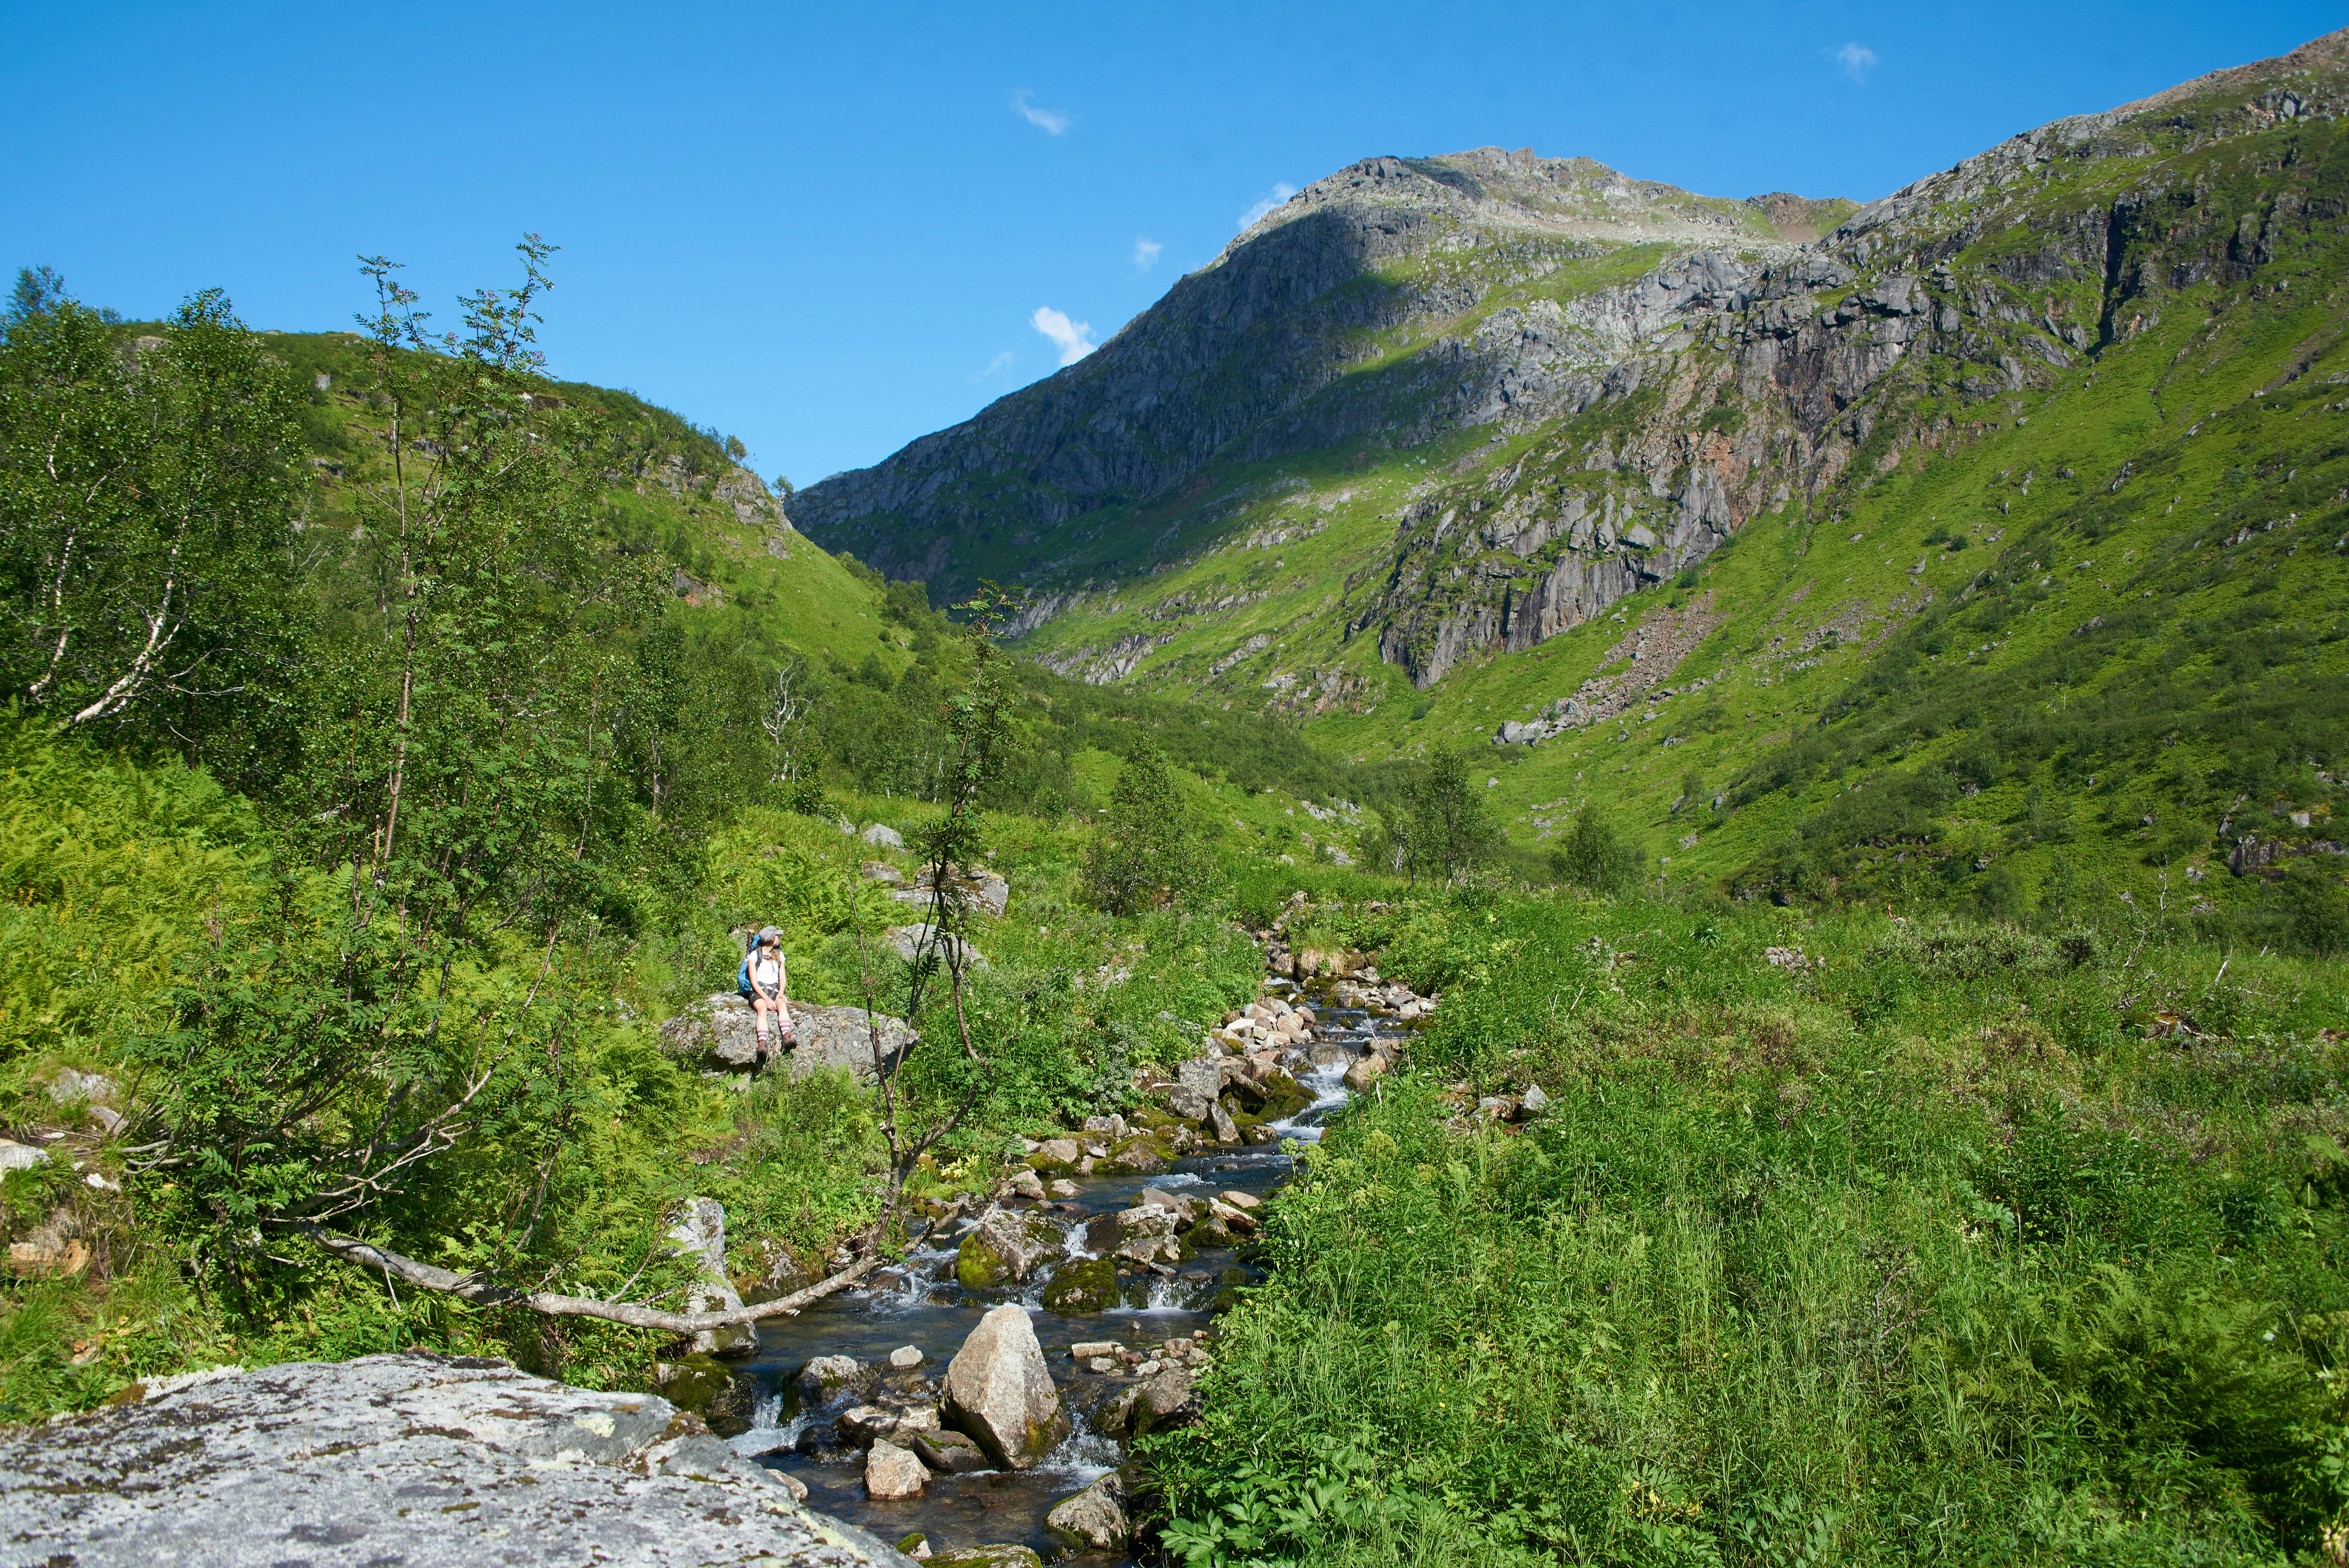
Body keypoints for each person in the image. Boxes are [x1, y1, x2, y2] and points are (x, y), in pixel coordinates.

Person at [738, 926, 793, 1064]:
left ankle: (787, 1038)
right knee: (762, 1009)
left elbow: (783, 978)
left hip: (775, 990)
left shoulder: (780, 956)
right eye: (777, 936)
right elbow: (754, 982)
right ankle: (763, 1045)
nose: (779, 938)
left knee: (782, 1005)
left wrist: (780, 994)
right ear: (770, 940)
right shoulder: (755, 956)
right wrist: (766, 999)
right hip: (758, 991)